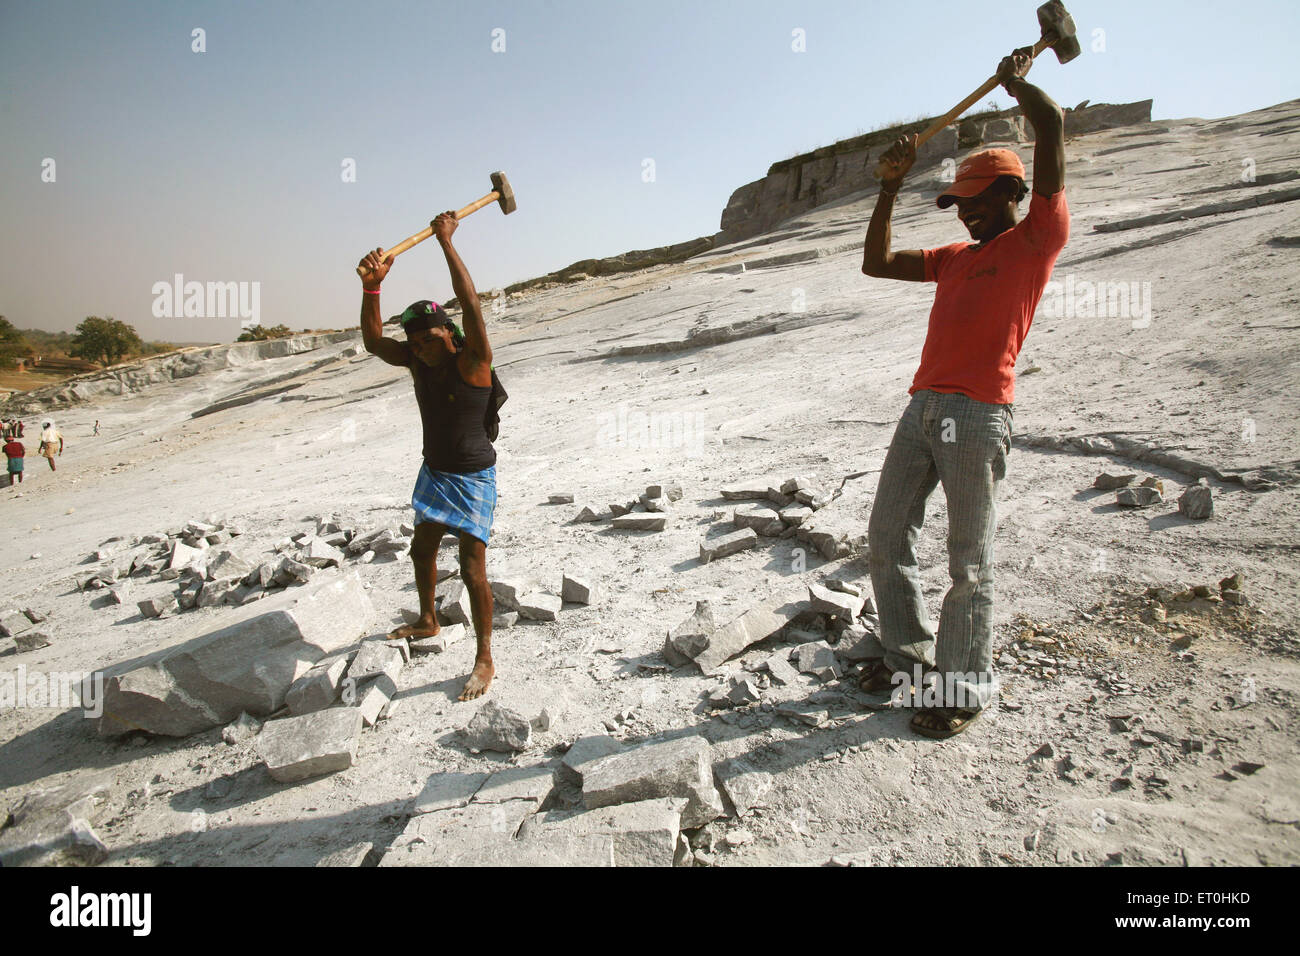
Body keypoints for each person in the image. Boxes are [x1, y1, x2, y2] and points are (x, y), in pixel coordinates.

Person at [859, 48, 1069, 738]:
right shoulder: (955, 259)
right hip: (922, 408)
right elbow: (877, 263)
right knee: (887, 538)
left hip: (980, 415)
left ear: (1011, 194)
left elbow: (1053, 127)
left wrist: (1016, 85)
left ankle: (961, 688)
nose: (966, 215)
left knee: (968, 563)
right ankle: (906, 656)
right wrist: (890, 187)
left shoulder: (1037, 238)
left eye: (978, 202)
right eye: (957, 204)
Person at [357, 211, 505, 702]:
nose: (421, 347)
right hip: (434, 472)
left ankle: (484, 657)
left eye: (430, 337)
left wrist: (445, 242)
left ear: (451, 334)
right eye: (415, 341)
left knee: (471, 567)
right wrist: (373, 288)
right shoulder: (417, 363)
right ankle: (428, 619)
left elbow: (470, 303)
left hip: (472, 477)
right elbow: (376, 342)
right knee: (422, 550)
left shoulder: (473, 360)